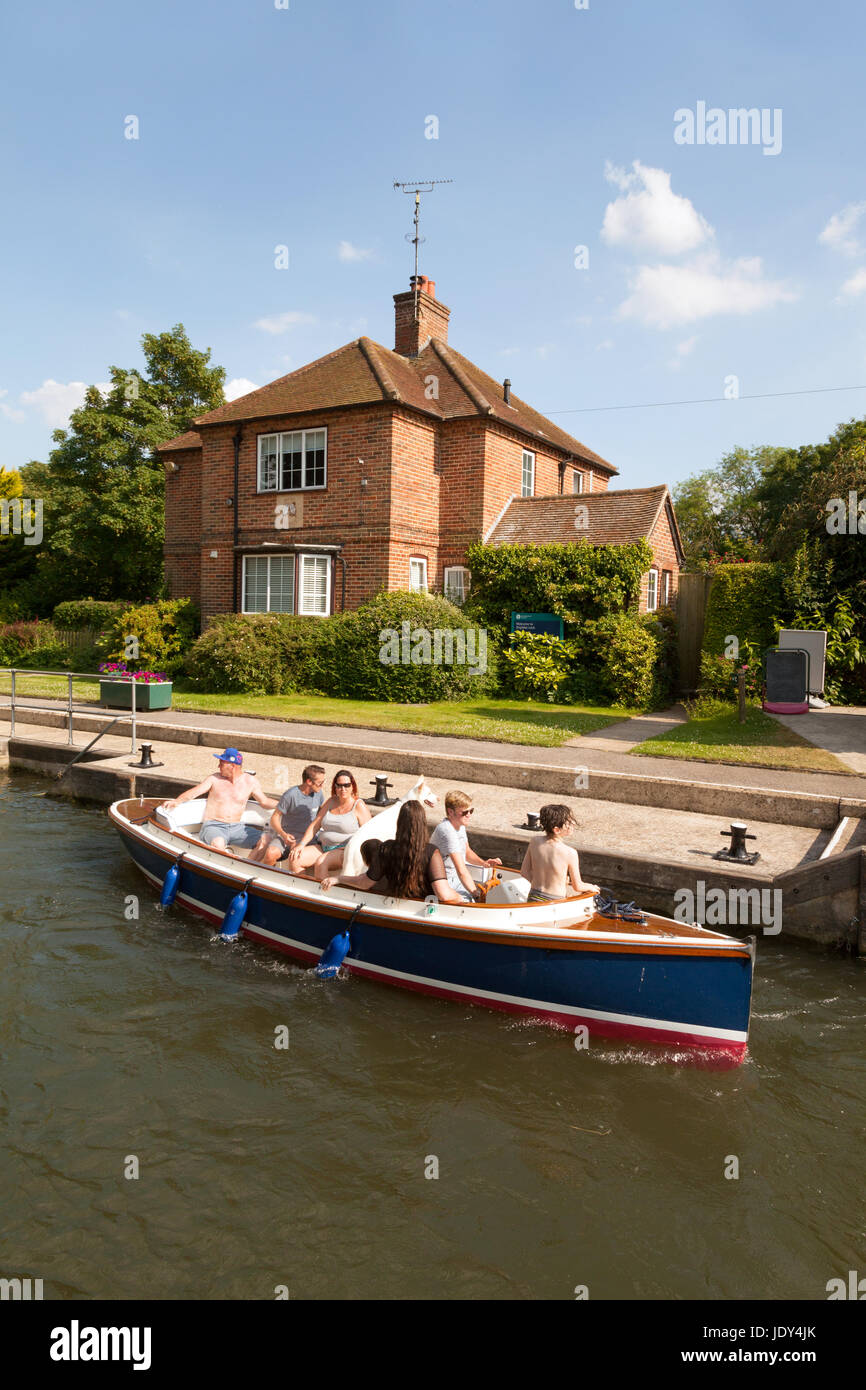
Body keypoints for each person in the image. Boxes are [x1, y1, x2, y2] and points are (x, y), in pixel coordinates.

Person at [321, 801, 463, 902]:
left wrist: (338, 878)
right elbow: (443, 894)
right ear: (423, 823)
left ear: (399, 823)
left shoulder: (386, 848)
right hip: (421, 911)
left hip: (392, 905)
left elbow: (365, 882)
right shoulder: (432, 852)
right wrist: (460, 898)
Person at [160, 747, 277, 855]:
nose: (218, 766)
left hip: (237, 827)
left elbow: (264, 801)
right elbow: (194, 792)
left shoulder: (250, 781)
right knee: (219, 843)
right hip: (213, 826)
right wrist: (177, 801)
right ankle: (226, 871)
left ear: (232, 765)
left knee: (266, 839)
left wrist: (284, 805)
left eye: (221, 763)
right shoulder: (214, 779)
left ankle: (247, 868)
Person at [287, 769, 371, 879]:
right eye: (339, 785)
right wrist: (301, 845)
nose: (343, 789)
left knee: (321, 863)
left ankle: (322, 894)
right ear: (335, 787)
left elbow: (369, 833)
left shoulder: (359, 805)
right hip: (324, 847)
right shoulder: (331, 801)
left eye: (347, 785)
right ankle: (302, 890)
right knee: (295, 858)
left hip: (344, 850)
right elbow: (315, 825)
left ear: (353, 786)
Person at [429, 790, 501, 902]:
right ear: (450, 812)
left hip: (457, 879)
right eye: (464, 812)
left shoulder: (460, 826)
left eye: (471, 811)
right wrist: (476, 895)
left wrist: (484, 863)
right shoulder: (447, 831)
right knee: (475, 901)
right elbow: (461, 870)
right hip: (446, 882)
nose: (469, 815)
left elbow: (467, 852)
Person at [248, 764, 325, 866]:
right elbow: (274, 818)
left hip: (308, 840)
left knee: (299, 858)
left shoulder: (319, 794)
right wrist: (284, 835)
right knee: (270, 854)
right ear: (309, 782)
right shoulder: (290, 795)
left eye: (323, 782)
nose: (322, 786)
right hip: (287, 838)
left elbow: (323, 813)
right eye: (320, 783)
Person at [520, 804, 599, 903]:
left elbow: (524, 872)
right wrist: (591, 887)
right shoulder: (570, 853)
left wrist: (539, 885)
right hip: (554, 901)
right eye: (569, 823)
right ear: (556, 830)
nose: (573, 823)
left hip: (533, 897)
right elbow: (578, 886)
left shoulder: (535, 841)